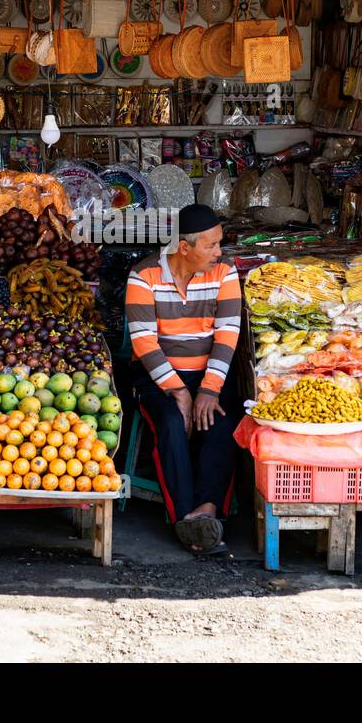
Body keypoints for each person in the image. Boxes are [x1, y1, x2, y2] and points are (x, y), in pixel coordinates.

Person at [126, 204, 243, 554]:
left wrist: (208, 390)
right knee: (172, 422)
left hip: (208, 375)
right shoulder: (143, 275)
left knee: (224, 422)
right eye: (211, 245)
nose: (219, 252)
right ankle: (185, 520)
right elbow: (144, 342)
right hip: (158, 377)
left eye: (219, 243)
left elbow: (228, 333)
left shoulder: (224, 272)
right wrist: (178, 390)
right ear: (184, 248)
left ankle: (207, 509)